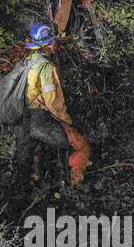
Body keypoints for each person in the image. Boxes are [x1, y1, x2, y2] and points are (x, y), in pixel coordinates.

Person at [11, 21, 90, 191]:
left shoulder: (24, 63)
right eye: (53, 42)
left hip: (21, 120)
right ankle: (72, 185)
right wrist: (66, 121)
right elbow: (53, 101)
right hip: (40, 118)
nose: (55, 45)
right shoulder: (46, 67)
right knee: (81, 146)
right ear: (47, 44)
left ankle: (40, 180)